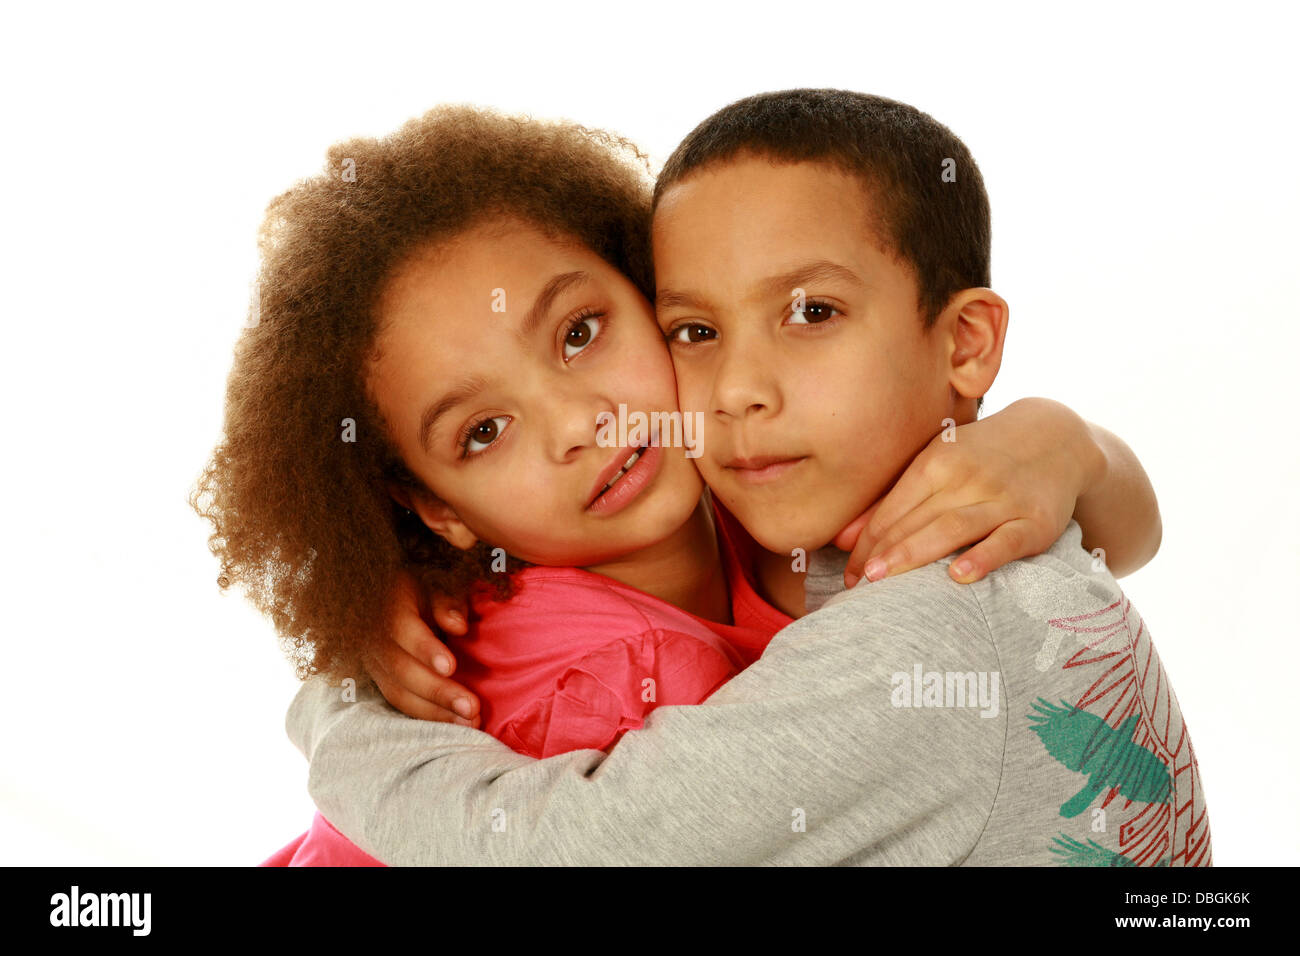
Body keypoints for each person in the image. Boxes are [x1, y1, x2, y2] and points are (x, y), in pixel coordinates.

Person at [284, 91, 1208, 865]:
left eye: (811, 311)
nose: (739, 391)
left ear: (964, 342)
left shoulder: (911, 593)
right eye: (698, 330)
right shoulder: (735, 518)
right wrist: (345, 684)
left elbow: (1125, 533)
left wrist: (1068, 441)